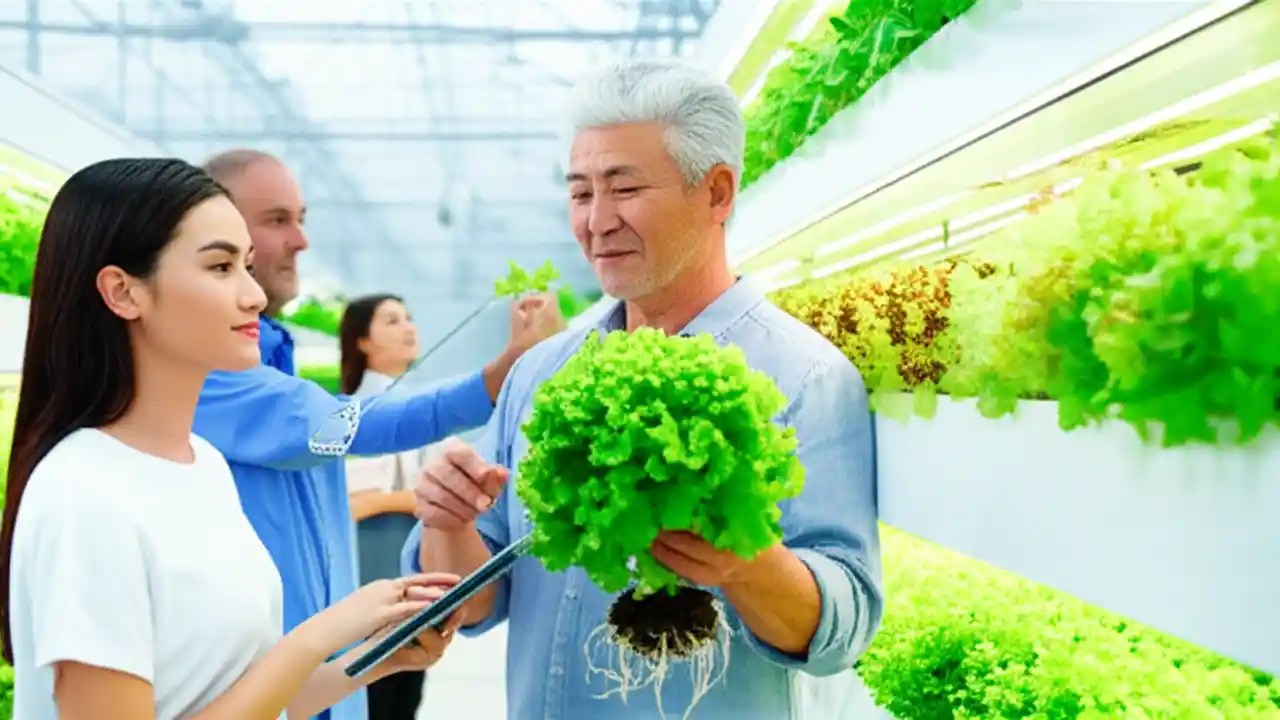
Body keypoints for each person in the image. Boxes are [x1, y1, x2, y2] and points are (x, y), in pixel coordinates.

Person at [400, 58, 886, 718]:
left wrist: (748, 564)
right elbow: (474, 597)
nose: (597, 221)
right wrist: (447, 519)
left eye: (624, 189)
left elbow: (842, 628)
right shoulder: (542, 374)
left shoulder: (804, 377)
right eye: (579, 193)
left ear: (716, 193)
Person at [0, 157, 462, 720]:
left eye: (246, 265)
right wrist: (315, 637)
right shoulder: (84, 493)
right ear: (123, 292)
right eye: (220, 267)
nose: (254, 297)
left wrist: (373, 654)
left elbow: (237, 698)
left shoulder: (207, 467)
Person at [190, 149, 565, 720]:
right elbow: (360, 422)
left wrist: (370, 654)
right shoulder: (215, 381)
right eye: (275, 221)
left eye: (302, 218)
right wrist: (500, 373)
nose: (301, 240)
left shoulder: (273, 365)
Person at [337, 292, 482, 720]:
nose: (408, 328)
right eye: (392, 321)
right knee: (381, 702)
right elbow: (356, 504)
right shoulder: (361, 411)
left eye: (409, 318)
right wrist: (428, 497)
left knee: (401, 700)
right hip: (376, 583)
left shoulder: (410, 406)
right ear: (362, 341)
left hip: (408, 584)